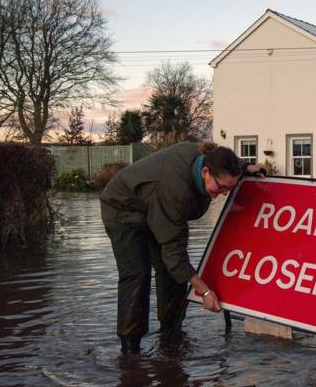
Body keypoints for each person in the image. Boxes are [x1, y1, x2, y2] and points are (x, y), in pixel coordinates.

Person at [100, 141, 262, 354]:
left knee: (172, 274)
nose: (223, 194)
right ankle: (131, 348)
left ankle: (171, 332)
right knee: (137, 274)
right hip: (123, 210)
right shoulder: (176, 192)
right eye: (221, 187)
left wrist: (245, 166)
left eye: (229, 188)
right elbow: (175, 254)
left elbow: (224, 158)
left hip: (155, 208)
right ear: (205, 172)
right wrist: (204, 292)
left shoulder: (210, 159)